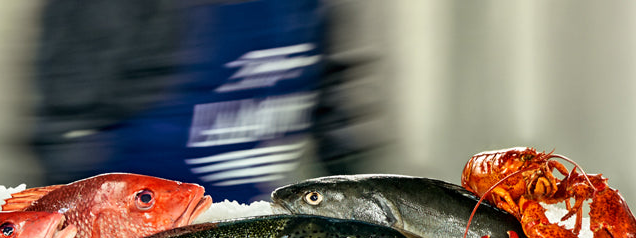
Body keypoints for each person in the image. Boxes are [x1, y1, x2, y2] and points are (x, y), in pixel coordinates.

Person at [30, 0, 381, 203]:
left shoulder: (308, 9)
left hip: (254, 234)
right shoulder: (106, 10)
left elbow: (336, 119)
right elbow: (64, 132)